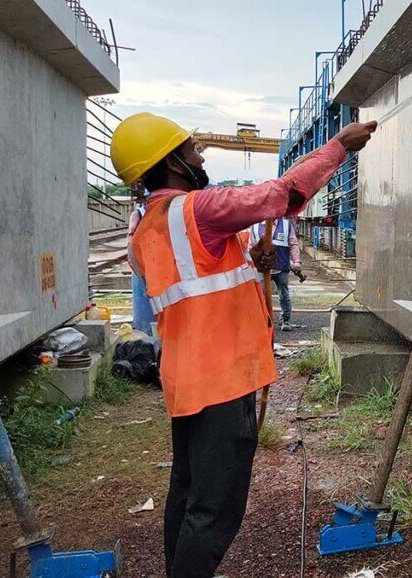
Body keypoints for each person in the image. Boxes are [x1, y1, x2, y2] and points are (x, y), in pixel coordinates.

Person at [110, 112, 376, 578]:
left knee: (187, 493)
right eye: (192, 149)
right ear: (172, 163)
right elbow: (283, 194)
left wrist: (249, 261)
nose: (201, 154)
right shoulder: (200, 209)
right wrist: (340, 146)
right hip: (221, 381)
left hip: (184, 380)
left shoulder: (145, 230)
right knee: (215, 511)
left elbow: (193, 281)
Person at [249, 216, 301, 331]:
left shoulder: (286, 225)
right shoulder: (256, 226)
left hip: (281, 267)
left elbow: (293, 244)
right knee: (260, 296)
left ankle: (286, 319)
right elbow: (251, 246)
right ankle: (263, 319)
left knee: (283, 295)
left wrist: (296, 262)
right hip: (262, 268)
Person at [126, 185, 154, 335]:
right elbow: (131, 245)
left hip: (158, 267)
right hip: (143, 267)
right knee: (146, 306)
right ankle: (146, 333)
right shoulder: (138, 215)